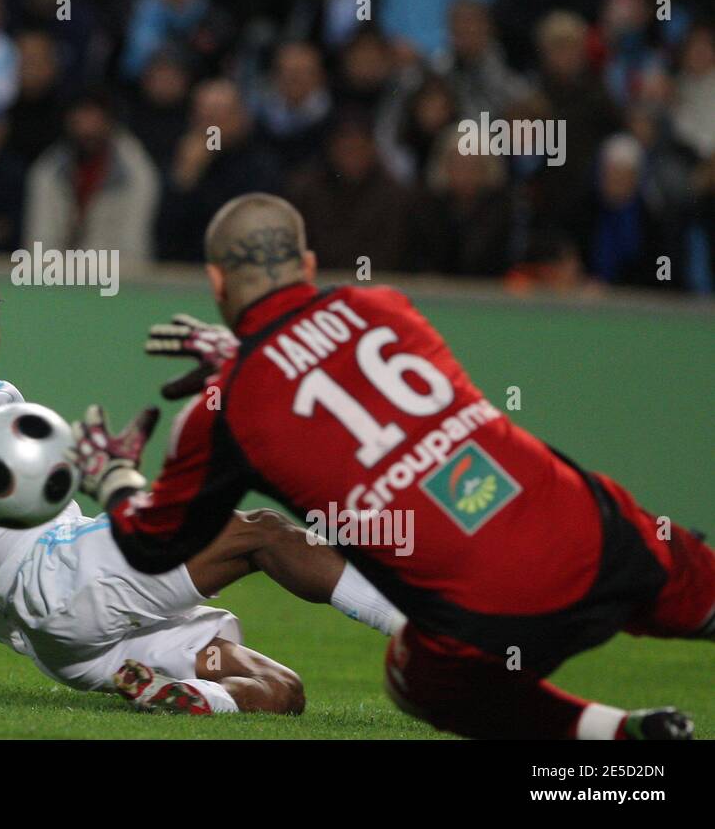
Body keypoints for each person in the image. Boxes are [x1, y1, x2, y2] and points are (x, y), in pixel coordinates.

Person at [69, 193, 713, 739]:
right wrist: (248, 353)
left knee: (418, 681)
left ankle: (613, 739)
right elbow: (328, 367)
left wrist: (114, 475)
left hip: (489, 612)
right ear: (310, 264)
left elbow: (154, 546)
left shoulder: (230, 410)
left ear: (214, 282)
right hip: (595, 529)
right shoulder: (385, 306)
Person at [0, 259, 404, 714]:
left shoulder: (3, 398)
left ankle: (181, 694)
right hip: (55, 583)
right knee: (261, 532)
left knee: (282, 692)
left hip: (75, 643)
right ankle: (421, 628)